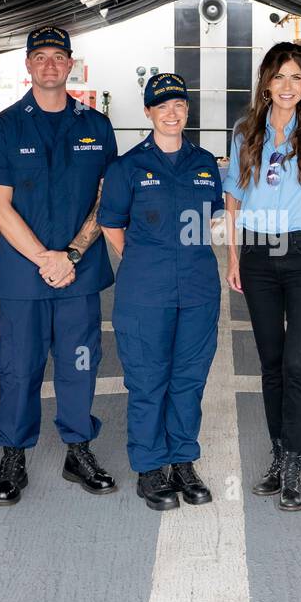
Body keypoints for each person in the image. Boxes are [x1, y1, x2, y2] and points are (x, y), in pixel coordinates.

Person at [0, 26, 117, 505]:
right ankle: (13, 455)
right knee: (18, 366)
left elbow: (107, 200)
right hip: (24, 273)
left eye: (59, 57)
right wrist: (45, 258)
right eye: (41, 57)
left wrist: (72, 254)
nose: (51, 65)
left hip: (79, 271)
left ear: (71, 64)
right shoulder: (3, 128)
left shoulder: (96, 126)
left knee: (81, 363)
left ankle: (78, 449)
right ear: (28, 66)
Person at [224, 41, 301, 512]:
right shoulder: (245, 132)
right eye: (280, 76)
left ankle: (295, 459)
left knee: (297, 362)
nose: (288, 86)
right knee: (270, 362)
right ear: (266, 83)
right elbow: (233, 197)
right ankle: (278, 453)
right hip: (256, 251)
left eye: (297, 77)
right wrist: (233, 258)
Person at [98, 73, 223, 510]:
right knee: (149, 379)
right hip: (144, 293)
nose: (172, 113)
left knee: (189, 379)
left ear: (187, 111)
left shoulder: (205, 163)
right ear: (148, 112)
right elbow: (111, 224)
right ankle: (150, 468)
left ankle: (183, 461)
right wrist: (141, 260)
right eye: (162, 105)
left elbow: (212, 221)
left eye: (179, 105)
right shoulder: (127, 168)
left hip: (198, 289)